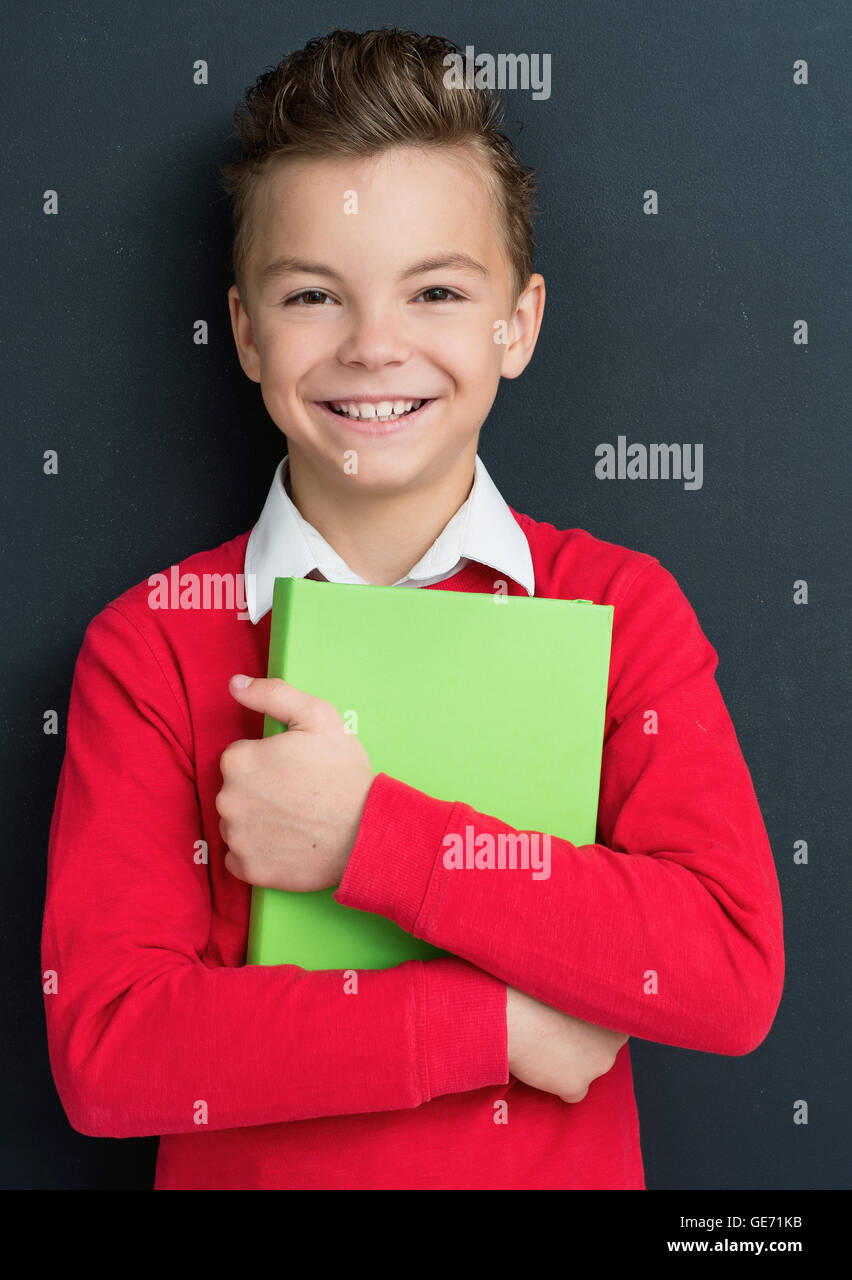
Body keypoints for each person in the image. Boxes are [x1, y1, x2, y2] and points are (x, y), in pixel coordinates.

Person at [41, 26, 784, 1189]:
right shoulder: (153, 642)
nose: (374, 345)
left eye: (435, 290)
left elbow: (726, 973)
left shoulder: (619, 609)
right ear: (245, 331)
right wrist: (490, 1027)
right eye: (311, 295)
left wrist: (369, 838)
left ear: (518, 324)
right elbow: (109, 1050)